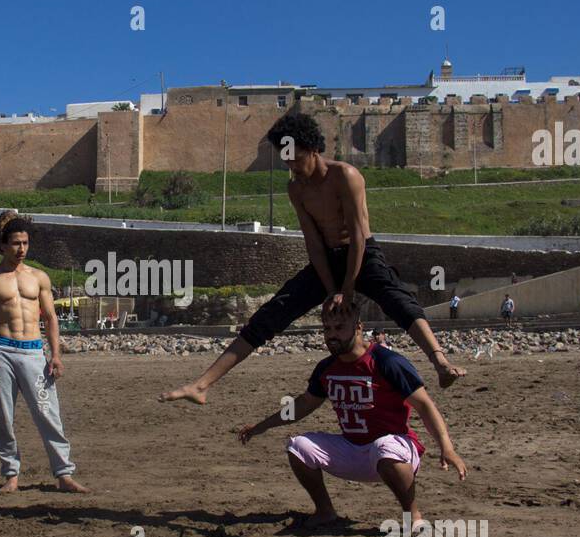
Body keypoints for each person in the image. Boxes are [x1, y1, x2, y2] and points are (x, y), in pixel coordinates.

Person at [162, 112, 464, 404]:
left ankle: (440, 363)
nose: (291, 164)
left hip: (362, 253)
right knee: (274, 312)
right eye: (286, 158)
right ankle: (201, 385)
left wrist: (347, 289)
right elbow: (313, 242)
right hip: (327, 260)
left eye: (296, 156)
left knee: (399, 300)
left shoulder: (345, 175)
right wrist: (331, 288)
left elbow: (359, 235)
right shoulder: (296, 189)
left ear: (313, 148)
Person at [238, 303, 466, 529]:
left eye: (339, 328)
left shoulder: (387, 362)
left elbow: (425, 405)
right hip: (353, 449)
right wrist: (261, 426)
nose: (332, 335)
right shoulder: (326, 367)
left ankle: (413, 515)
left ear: (358, 328)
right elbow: (305, 404)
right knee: (299, 447)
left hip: (397, 450)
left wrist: (447, 448)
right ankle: (325, 511)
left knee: (382, 447)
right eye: (327, 329)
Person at [0, 211, 87, 494]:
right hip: (2, 351)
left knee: (49, 413)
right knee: (2, 417)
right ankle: (11, 474)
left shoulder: (39, 278)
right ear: (3, 245)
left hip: (35, 352)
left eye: (25, 243)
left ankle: (63, 473)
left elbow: (50, 318)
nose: (21, 249)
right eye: (15, 243)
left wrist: (56, 354)